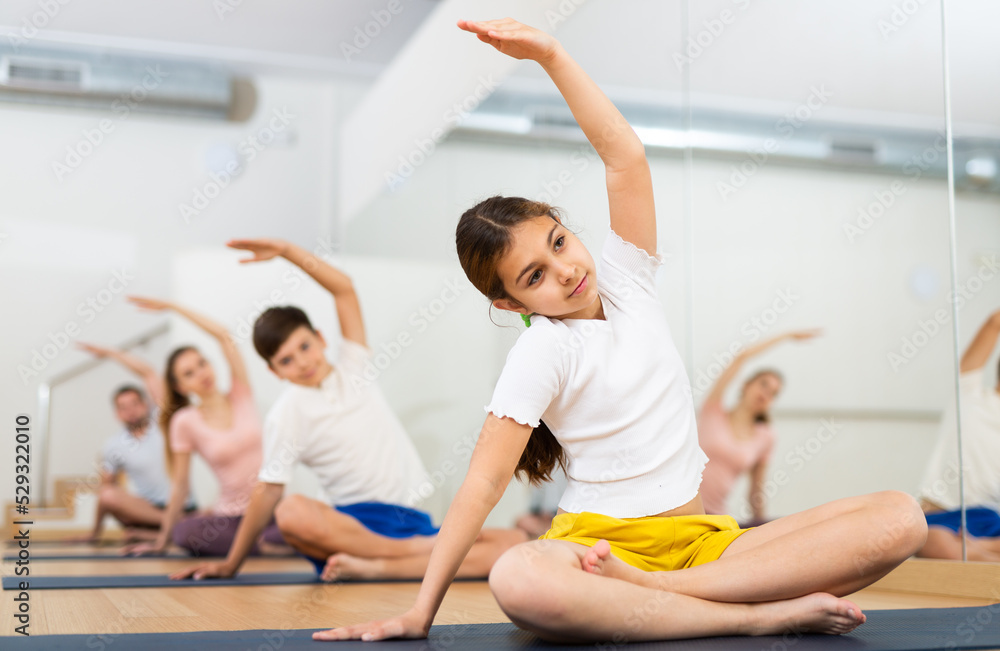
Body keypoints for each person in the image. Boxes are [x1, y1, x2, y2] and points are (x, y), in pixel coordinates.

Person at [314, 19, 926, 644]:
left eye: (559, 242)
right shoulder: (543, 349)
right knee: (518, 579)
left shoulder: (628, 281)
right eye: (535, 275)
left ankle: (661, 595)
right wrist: (420, 612)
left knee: (900, 518)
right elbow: (483, 484)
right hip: (597, 549)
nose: (565, 271)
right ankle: (756, 615)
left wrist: (552, 55)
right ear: (510, 301)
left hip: (701, 547)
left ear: (567, 229)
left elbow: (624, 157)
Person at [169, 238, 526, 582]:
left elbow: (343, 290)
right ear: (275, 372)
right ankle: (414, 555)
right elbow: (269, 491)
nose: (302, 362)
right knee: (291, 512)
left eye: (304, 347)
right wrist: (231, 564)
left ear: (321, 338)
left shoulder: (354, 368)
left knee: (512, 543)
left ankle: (380, 567)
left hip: (407, 519)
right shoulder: (286, 413)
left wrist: (287, 250)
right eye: (286, 360)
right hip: (349, 527)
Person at [122, 296, 285, 557]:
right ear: (180, 387)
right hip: (231, 518)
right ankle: (264, 544)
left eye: (202, 363)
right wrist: (162, 541)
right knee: (184, 532)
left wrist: (173, 306)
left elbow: (224, 336)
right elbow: (180, 485)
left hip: (271, 510)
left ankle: (262, 543)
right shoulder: (184, 421)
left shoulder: (241, 394)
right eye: (189, 373)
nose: (201, 373)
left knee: (300, 517)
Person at [74, 343, 195, 543]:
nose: (130, 411)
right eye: (123, 407)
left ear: (146, 404)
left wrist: (111, 352)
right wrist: (94, 533)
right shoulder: (114, 445)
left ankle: (171, 528)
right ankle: (173, 526)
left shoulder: (163, 421)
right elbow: (106, 490)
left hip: (181, 507)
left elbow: (148, 373)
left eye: (134, 404)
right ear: (117, 414)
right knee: (107, 495)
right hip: (148, 514)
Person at [698, 331, 819, 524]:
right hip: (683, 508)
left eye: (773, 393)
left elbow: (756, 491)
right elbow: (741, 357)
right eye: (763, 384)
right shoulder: (712, 410)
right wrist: (786, 336)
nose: (766, 393)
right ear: (746, 385)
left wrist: (763, 526)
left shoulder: (765, 437)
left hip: (715, 518)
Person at [918, 309, 1000, 561]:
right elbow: (995, 322)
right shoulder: (969, 396)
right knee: (931, 541)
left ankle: (977, 549)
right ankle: (980, 553)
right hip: (942, 517)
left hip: (991, 521)